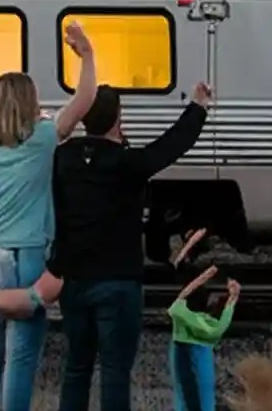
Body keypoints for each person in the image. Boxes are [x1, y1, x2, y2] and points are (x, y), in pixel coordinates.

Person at [0, 22, 99, 411]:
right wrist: (86, 55)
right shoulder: (43, 138)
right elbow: (84, 101)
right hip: (30, 253)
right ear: (29, 103)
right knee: (21, 354)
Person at [49, 80, 213, 411]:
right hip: (118, 281)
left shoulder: (62, 158)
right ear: (118, 118)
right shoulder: (127, 163)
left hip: (73, 281)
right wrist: (198, 107)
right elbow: (171, 146)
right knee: (115, 371)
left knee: (76, 368)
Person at [168, 266, 240, 411]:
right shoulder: (212, 327)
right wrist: (233, 298)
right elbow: (223, 323)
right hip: (202, 368)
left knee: (183, 398)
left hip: (181, 358)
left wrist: (202, 278)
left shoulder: (180, 317)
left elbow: (179, 300)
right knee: (205, 400)